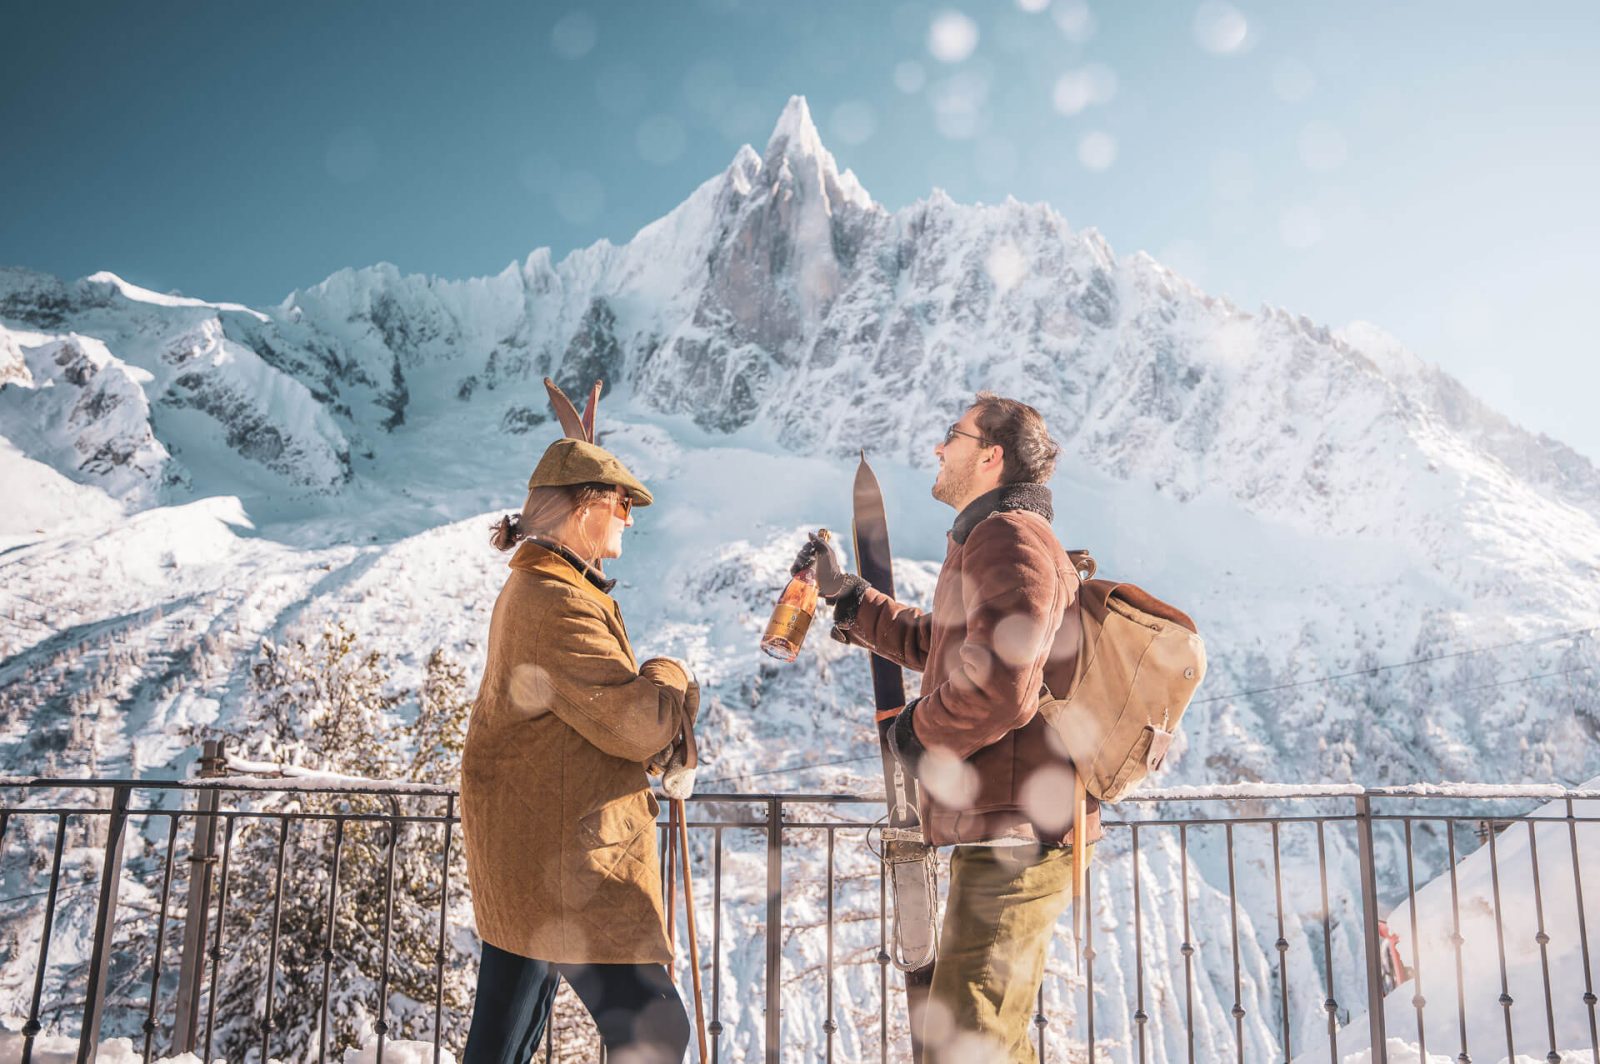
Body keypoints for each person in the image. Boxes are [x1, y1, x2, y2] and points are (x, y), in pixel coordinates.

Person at [795, 392, 1098, 1064]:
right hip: (1012, 830)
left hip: (1020, 835)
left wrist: (915, 733)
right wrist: (852, 600)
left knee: (972, 1043)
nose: (937, 447)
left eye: (952, 436)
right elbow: (950, 647)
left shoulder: (1009, 536)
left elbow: (999, 687)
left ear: (990, 456)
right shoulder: (997, 538)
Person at [460, 430, 696, 1064]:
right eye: (620, 503)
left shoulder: (548, 589)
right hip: (568, 865)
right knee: (655, 1032)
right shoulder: (556, 603)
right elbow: (636, 726)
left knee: (504, 1040)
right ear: (582, 507)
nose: (627, 518)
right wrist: (670, 674)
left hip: (537, 854)